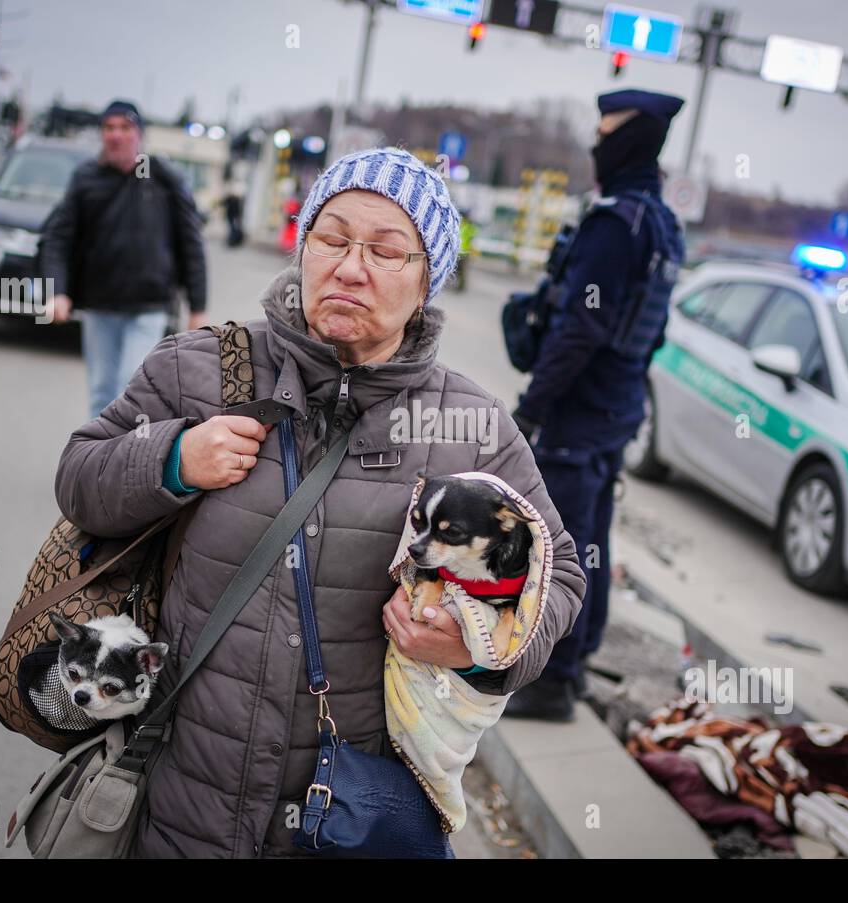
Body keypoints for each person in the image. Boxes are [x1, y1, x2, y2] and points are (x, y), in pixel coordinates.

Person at [52, 147, 586, 858]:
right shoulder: (201, 369)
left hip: (345, 815)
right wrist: (174, 458)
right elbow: (81, 477)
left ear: (427, 282)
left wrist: (481, 650)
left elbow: (564, 575)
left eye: (387, 251)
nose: (351, 266)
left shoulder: (473, 426)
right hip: (184, 796)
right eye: (332, 239)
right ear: (303, 248)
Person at [504, 89, 686, 722]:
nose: (595, 144)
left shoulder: (615, 226)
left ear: (629, 141)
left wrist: (533, 406)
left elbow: (579, 328)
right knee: (591, 544)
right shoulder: (659, 221)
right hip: (617, 409)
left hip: (578, 415)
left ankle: (551, 681)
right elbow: (651, 330)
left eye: (605, 132)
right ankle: (575, 666)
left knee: (558, 548)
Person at [40, 100, 208, 420]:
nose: (116, 135)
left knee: (130, 388)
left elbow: (191, 242)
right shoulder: (86, 179)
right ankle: (96, 465)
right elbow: (57, 238)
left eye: (125, 128)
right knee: (102, 392)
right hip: (100, 307)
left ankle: (126, 465)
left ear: (139, 135)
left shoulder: (163, 179)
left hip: (148, 308)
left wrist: (197, 308)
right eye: (109, 128)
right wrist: (57, 292)